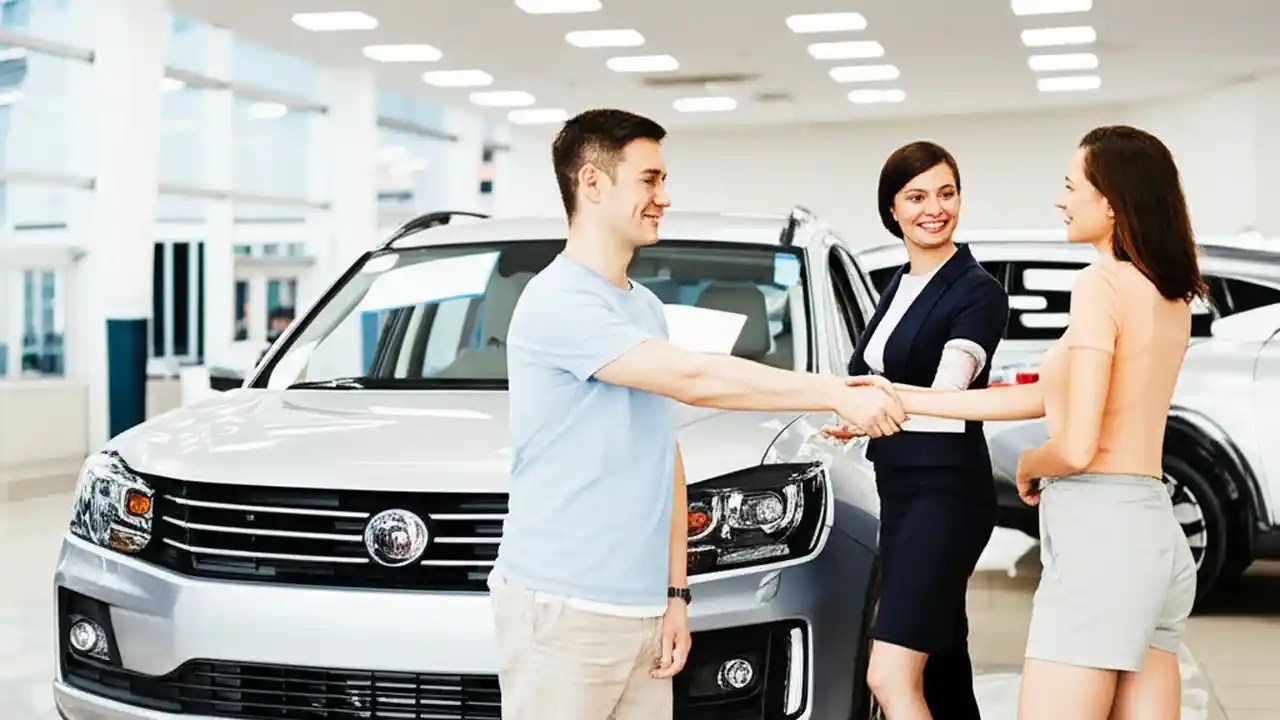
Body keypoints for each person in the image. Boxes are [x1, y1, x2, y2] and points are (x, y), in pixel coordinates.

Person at [488, 107, 906, 720]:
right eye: (650, 180)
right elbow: (695, 377)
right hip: (565, 610)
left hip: (641, 611)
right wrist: (835, 391)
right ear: (594, 183)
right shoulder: (558, 301)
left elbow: (664, 455)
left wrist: (675, 594)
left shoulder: (644, 306)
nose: (664, 197)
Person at [846, 125, 1205, 719]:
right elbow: (1042, 395)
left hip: (1101, 535)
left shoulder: (1100, 283)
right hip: (1153, 531)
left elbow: (1078, 444)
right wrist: (887, 399)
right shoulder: (1169, 295)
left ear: (1110, 201)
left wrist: (1030, 465)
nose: (1062, 200)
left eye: (1071, 187)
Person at [823, 141, 1010, 719]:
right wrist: (856, 421)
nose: (935, 208)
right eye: (917, 196)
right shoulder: (898, 285)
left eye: (947, 193)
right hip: (900, 491)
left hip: (945, 495)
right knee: (943, 671)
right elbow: (875, 380)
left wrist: (876, 400)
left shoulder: (978, 292)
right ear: (893, 210)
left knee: (890, 676)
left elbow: (951, 393)